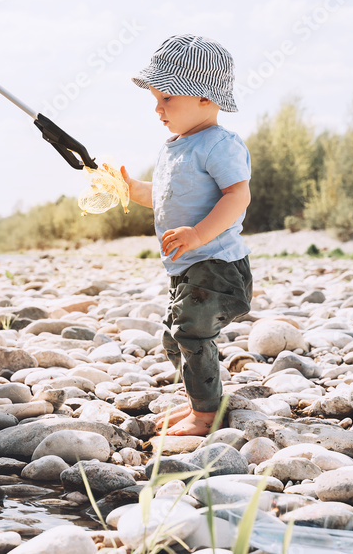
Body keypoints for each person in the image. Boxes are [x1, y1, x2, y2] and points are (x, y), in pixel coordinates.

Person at [120, 35, 253, 436]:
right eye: (155, 99)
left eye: (167, 98)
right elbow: (162, 196)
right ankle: (200, 397)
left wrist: (197, 233)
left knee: (191, 331)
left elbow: (238, 195)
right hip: (187, 267)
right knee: (173, 338)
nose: (157, 108)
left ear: (204, 97)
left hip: (218, 266)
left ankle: (207, 414)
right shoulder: (174, 148)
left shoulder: (220, 145)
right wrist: (129, 188)